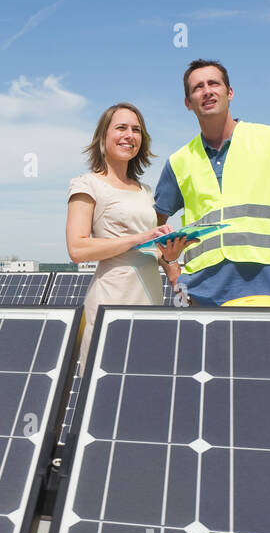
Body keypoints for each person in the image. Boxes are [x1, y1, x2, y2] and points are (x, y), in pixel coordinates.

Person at [154, 59, 270, 307]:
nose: (206, 91)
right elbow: (155, 229)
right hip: (200, 299)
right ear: (188, 103)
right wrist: (176, 277)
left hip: (268, 291)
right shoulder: (177, 162)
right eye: (197, 87)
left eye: (213, 83)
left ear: (229, 92)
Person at [66, 102, 190, 368]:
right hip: (112, 299)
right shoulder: (86, 185)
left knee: (139, 387)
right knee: (106, 384)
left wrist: (170, 259)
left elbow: (154, 250)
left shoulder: (144, 190)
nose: (129, 135)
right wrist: (138, 238)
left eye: (136, 130)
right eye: (121, 127)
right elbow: (78, 249)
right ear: (103, 137)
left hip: (149, 299)